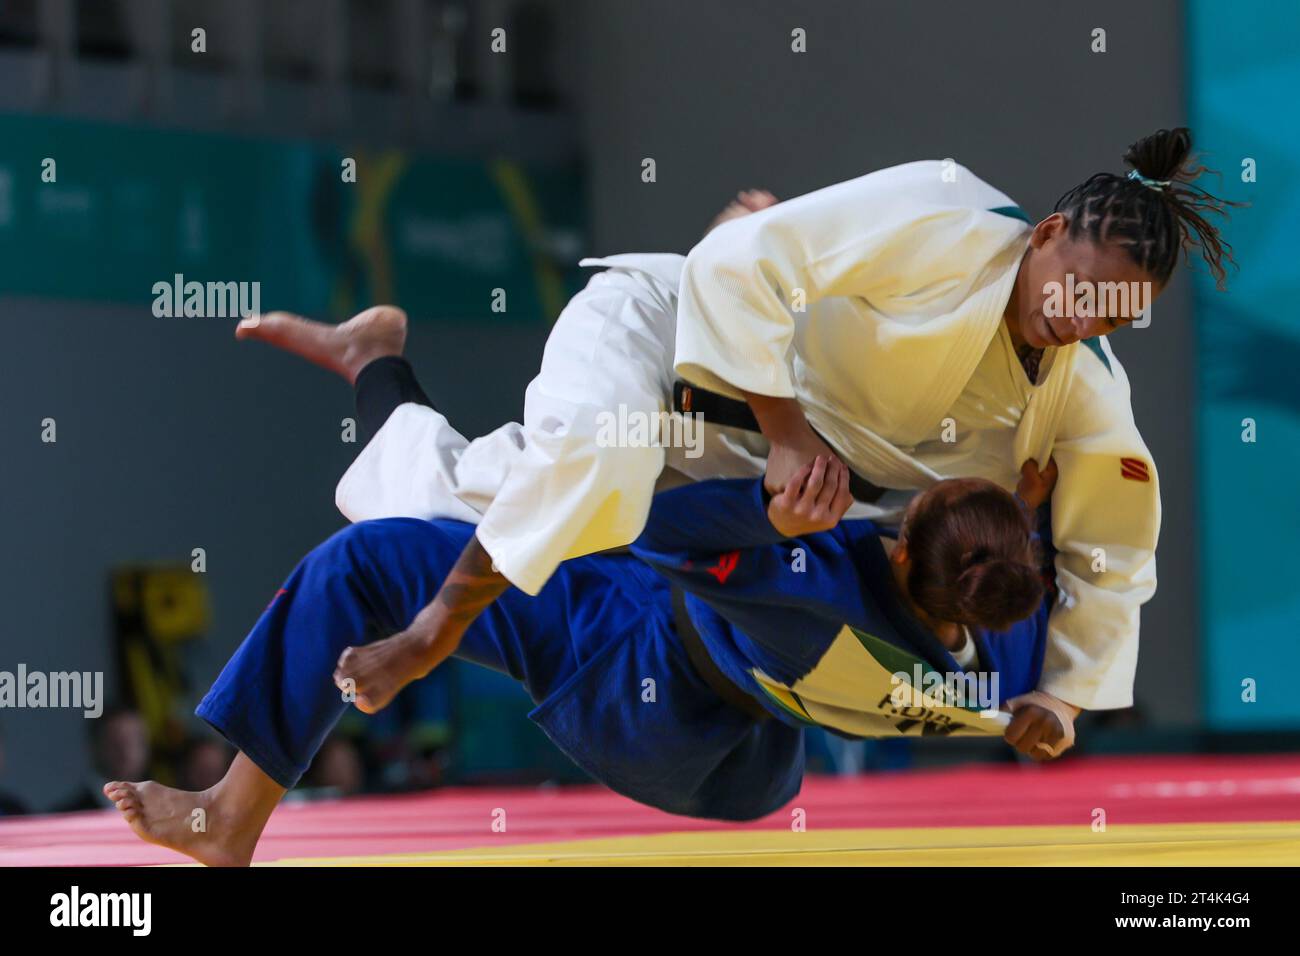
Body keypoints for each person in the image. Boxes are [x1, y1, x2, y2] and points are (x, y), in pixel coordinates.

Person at [237, 128, 1235, 751]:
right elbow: (738, 264)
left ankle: (375, 359)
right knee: (597, 472)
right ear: (1050, 231)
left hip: (744, 458)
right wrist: (791, 428)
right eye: (1077, 288)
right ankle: (430, 633)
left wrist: (1062, 696)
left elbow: (1115, 553)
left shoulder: (1085, 393)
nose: (1080, 321)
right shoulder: (944, 210)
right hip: (663, 340)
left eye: (1111, 316)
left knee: (445, 502)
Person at [104, 353, 1060, 865]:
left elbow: (647, 533)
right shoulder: (971, 646)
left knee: (378, 557)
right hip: (732, 740)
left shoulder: (811, 567)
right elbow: (1003, 593)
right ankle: (380, 372)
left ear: (903, 538)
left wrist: (766, 507)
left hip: (637, 682)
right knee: (462, 502)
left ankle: (229, 817)